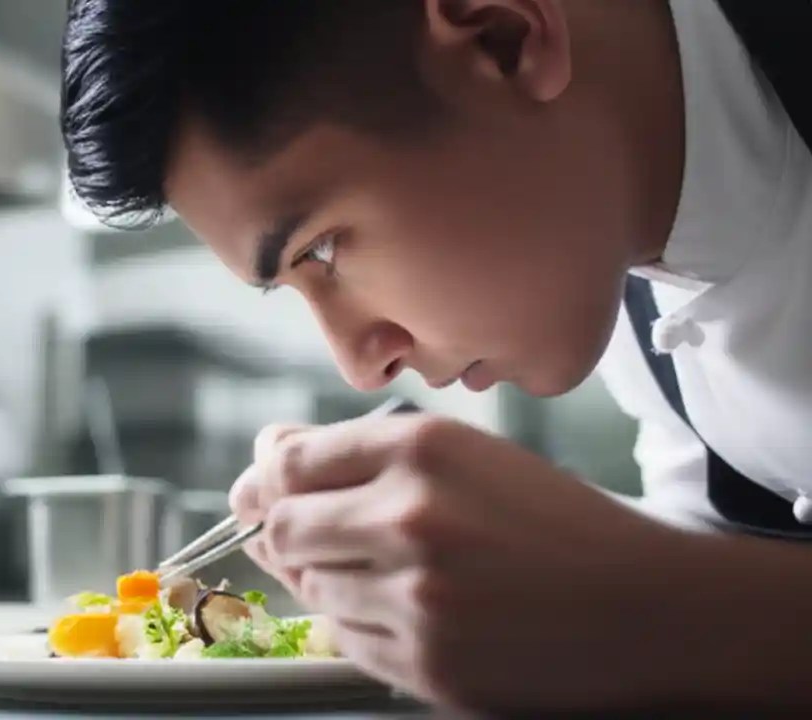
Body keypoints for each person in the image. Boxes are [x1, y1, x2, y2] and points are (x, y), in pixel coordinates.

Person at [60, 0, 812, 714]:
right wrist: (499, 568)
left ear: (502, 39)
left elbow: (690, 600)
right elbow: (721, 551)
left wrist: (657, 609)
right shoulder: (610, 241)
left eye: (321, 249)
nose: (361, 366)